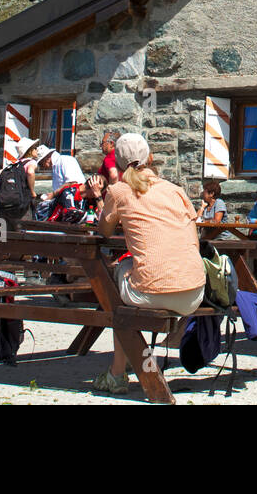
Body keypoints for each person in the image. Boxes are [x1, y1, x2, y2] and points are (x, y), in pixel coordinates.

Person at [93, 133, 204, 395]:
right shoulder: (176, 191)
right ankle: (128, 361)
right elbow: (194, 241)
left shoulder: (119, 191)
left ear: (118, 164)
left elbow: (103, 231)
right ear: (150, 157)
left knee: (118, 280)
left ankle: (118, 374)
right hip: (193, 293)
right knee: (137, 270)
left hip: (153, 292)